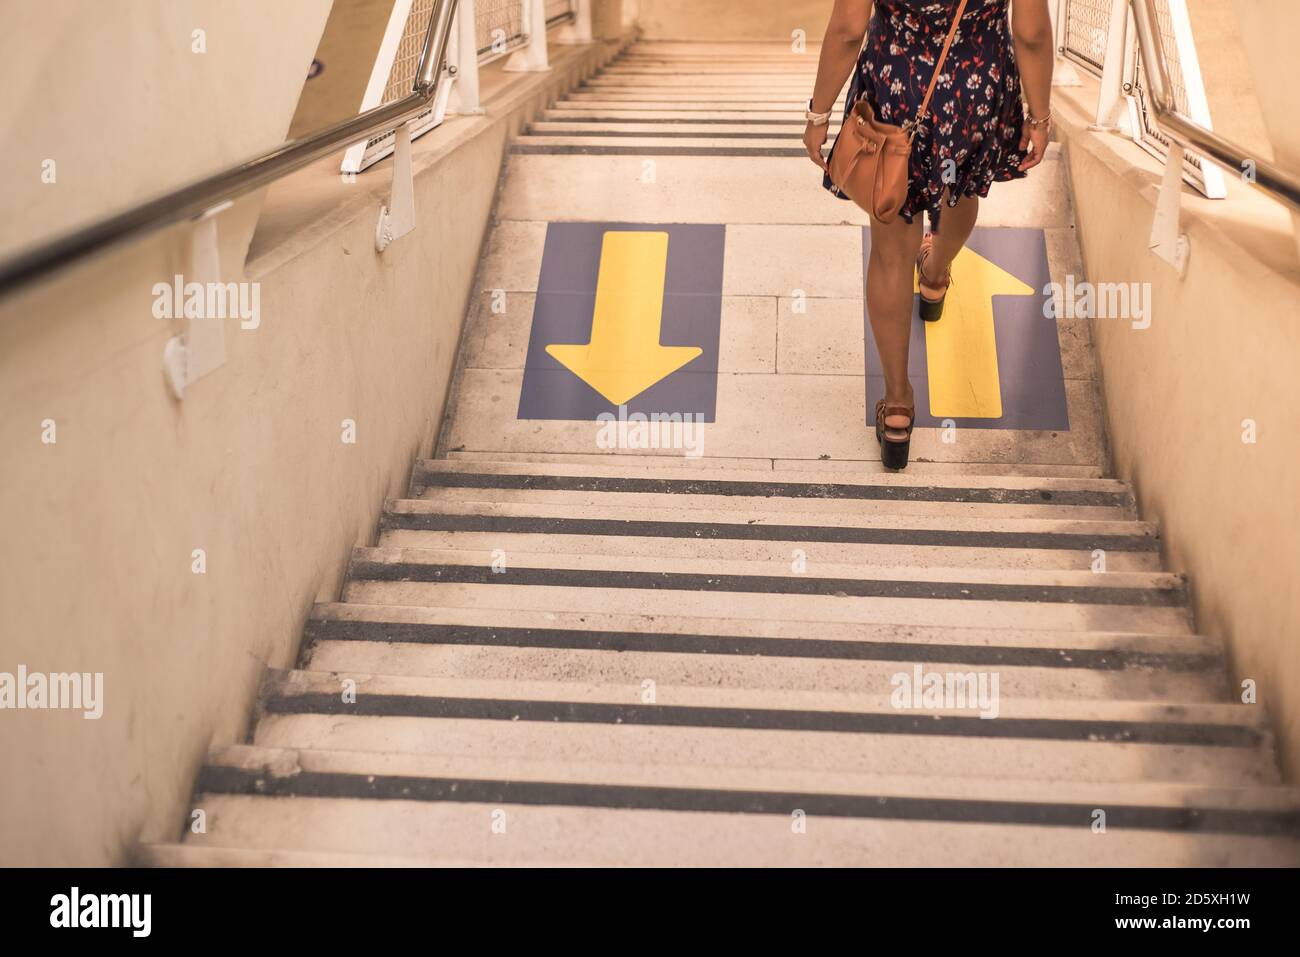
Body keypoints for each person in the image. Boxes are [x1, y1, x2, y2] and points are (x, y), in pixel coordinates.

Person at [804, 0, 1055, 469]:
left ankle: (898, 405)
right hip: (975, 87)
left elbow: (847, 27)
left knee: (890, 249)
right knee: (959, 191)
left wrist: (818, 115)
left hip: (895, 85)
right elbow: (1032, 32)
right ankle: (937, 271)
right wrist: (1039, 117)